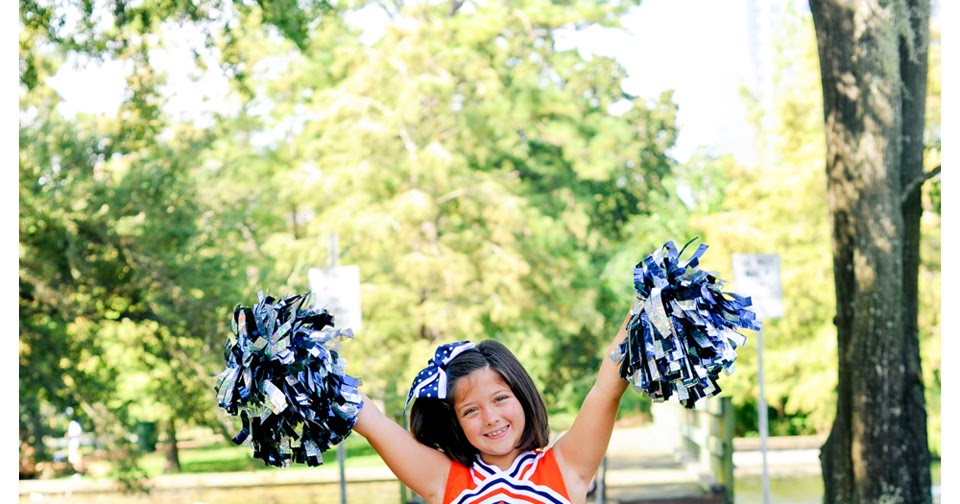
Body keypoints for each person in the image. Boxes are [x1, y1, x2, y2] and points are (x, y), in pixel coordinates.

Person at [352, 311, 631, 504]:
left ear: (522, 396)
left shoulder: (565, 467)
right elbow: (373, 423)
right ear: (456, 422)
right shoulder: (444, 479)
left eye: (500, 399)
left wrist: (649, 301)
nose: (491, 418)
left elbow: (606, 389)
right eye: (470, 410)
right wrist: (313, 363)